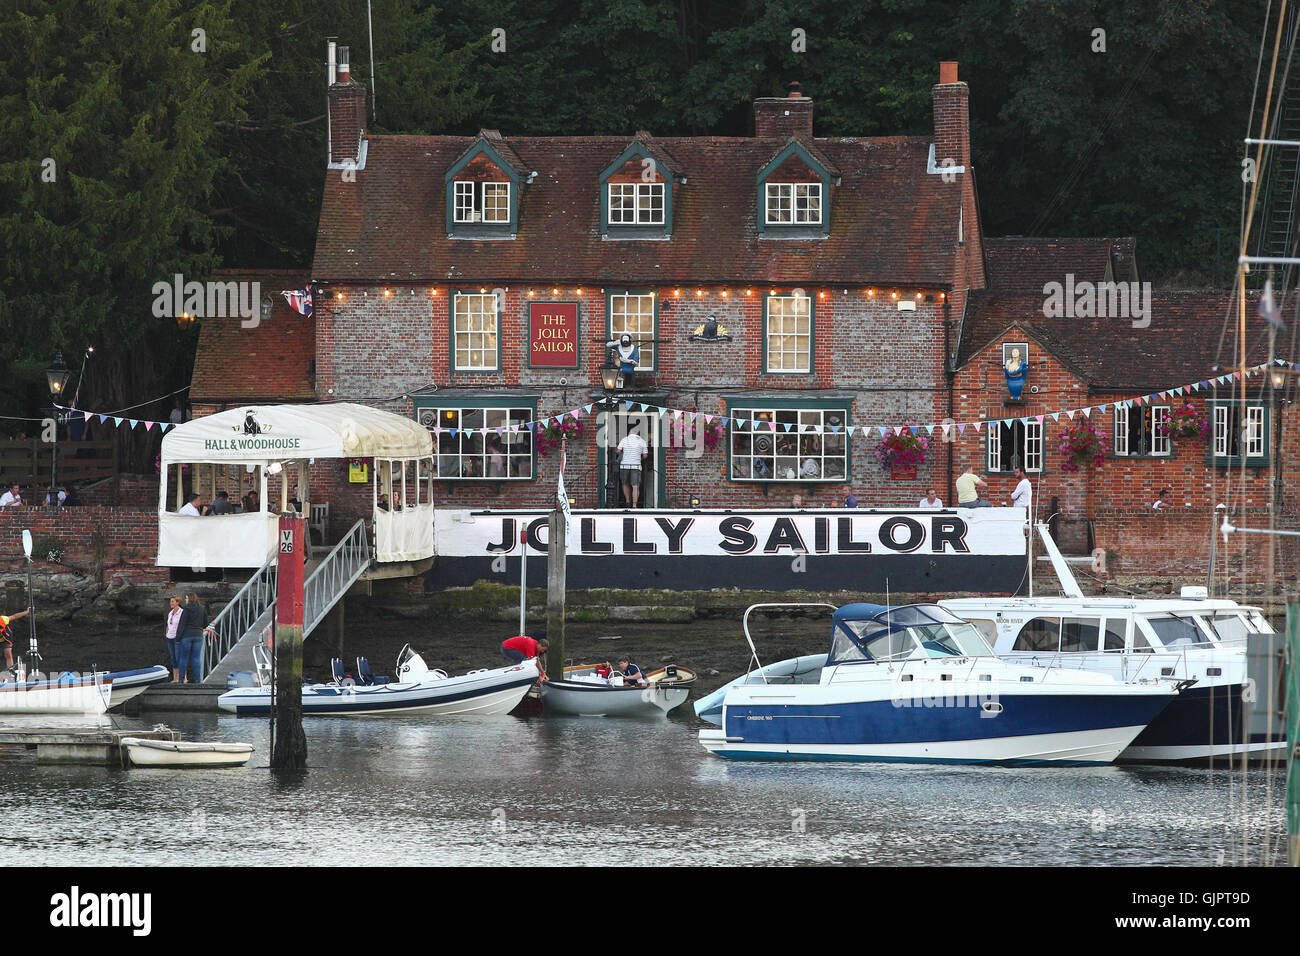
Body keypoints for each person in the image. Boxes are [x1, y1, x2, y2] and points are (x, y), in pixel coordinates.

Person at [176, 593, 211, 683]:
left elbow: (182, 624)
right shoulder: (202, 608)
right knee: (196, 658)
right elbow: (206, 623)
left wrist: (178, 638)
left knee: (184, 658)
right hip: (198, 635)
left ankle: (181, 680)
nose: (185, 600)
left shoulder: (186, 609)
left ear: (190, 599)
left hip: (187, 636)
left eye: (186, 598)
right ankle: (197, 680)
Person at [616, 426, 649, 508]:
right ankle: (634, 505)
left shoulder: (624, 439)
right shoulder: (642, 441)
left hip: (624, 465)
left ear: (630, 432)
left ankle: (627, 501)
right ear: (638, 433)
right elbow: (645, 456)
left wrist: (624, 455)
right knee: (635, 486)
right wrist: (639, 459)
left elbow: (618, 451)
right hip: (636, 466)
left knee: (625, 484)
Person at [164, 596, 184, 682]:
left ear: (178, 602)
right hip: (170, 637)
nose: (171, 603)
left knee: (179, 657)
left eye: (172, 601)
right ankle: (175, 678)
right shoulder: (170, 613)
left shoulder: (182, 612)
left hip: (177, 637)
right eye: (170, 602)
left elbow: (183, 625)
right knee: (173, 658)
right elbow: (168, 624)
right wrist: (166, 633)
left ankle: (183, 677)